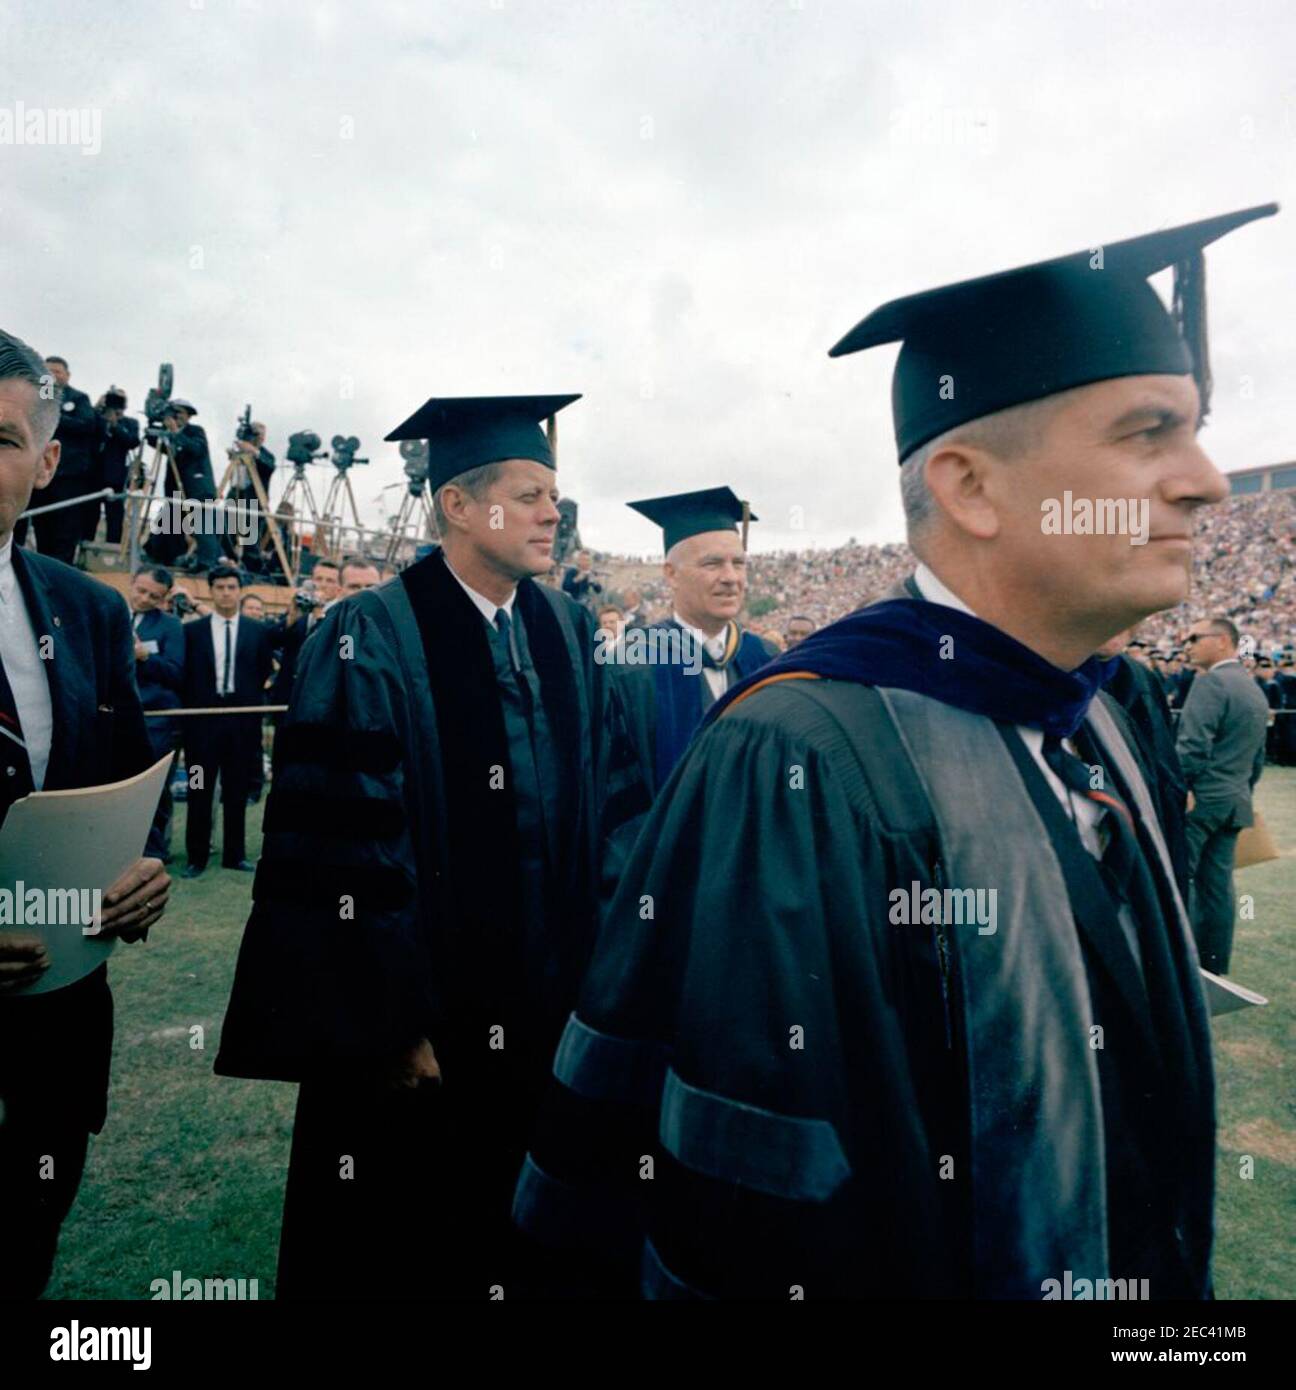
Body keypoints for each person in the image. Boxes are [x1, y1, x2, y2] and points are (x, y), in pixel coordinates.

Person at [516, 204, 1276, 1300]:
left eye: (1196, 430)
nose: (1206, 479)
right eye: (1148, 431)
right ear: (970, 485)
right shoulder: (802, 759)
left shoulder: (1102, 718)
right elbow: (759, 1201)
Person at [215, 392, 614, 1300]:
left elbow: (611, 808)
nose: (555, 511)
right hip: (429, 1023)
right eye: (529, 493)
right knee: (409, 1248)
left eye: (556, 493)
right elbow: (341, 844)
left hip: (551, 1008)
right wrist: (388, 1020)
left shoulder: (568, 631)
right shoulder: (372, 635)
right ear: (460, 508)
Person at [0, 328, 171, 1299]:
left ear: (48, 460)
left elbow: (128, 777)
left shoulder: (86, 610)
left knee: (27, 1244)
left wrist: (144, 867)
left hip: (57, 1022)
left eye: (1, 440)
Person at [606, 486, 776, 809]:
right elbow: (616, 794)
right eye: (712, 564)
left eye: (738, 564)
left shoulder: (766, 659)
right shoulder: (630, 665)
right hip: (665, 853)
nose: (730, 578)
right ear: (671, 574)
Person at [1175, 617, 1270, 975]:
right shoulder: (1251, 689)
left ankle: (1178, 965)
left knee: (1177, 876)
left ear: (1221, 641)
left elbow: (1193, 746)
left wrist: (1183, 787)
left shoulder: (1212, 683)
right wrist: (1241, 791)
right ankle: (1212, 965)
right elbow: (1257, 758)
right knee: (1216, 886)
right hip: (1234, 799)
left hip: (1200, 801)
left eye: (1195, 637)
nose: (1188, 644)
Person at [180, 564, 275, 876]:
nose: (225, 593)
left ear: (239, 590)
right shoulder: (192, 631)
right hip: (202, 723)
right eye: (219, 587)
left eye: (231, 587)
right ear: (211, 591)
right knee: (199, 789)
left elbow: (263, 671)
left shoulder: (258, 631)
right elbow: (187, 674)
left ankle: (235, 855)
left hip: (240, 723)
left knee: (236, 790)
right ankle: (197, 857)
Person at [129, 565, 185, 862]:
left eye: (154, 596)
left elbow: (176, 673)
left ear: (164, 598)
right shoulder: (110, 614)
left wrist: (146, 657)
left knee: (154, 788)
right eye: (141, 590)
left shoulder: (170, 625)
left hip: (156, 719)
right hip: (113, 716)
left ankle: (154, 852)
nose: (145, 598)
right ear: (131, 583)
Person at [26, 355, 97, 563]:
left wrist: (54, 416)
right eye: (48, 371)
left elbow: (87, 425)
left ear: (67, 375)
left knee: (65, 527)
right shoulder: (35, 398)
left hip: (69, 475)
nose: (52, 375)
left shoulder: (79, 398)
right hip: (41, 472)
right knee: (42, 524)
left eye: (57, 371)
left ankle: (63, 569)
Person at [163, 400, 220, 571]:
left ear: (188, 415)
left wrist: (175, 432)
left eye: (179, 412)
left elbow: (196, 449)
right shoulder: (171, 434)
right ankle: (173, 558)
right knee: (172, 523)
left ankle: (208, 564)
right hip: (178, 490)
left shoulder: (195, 431)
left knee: (202, 525)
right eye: (173, 412)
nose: (175, 416)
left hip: (198, 488)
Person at [93, 386, 141, 545]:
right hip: (91, 474)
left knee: (114, 516)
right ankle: (87, 547)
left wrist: (115, 425)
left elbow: (133, 442)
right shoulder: (95, 418)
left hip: (115, 476)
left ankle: (113, 548)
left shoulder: (130, 423)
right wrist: (96, 408)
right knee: (89, 513)